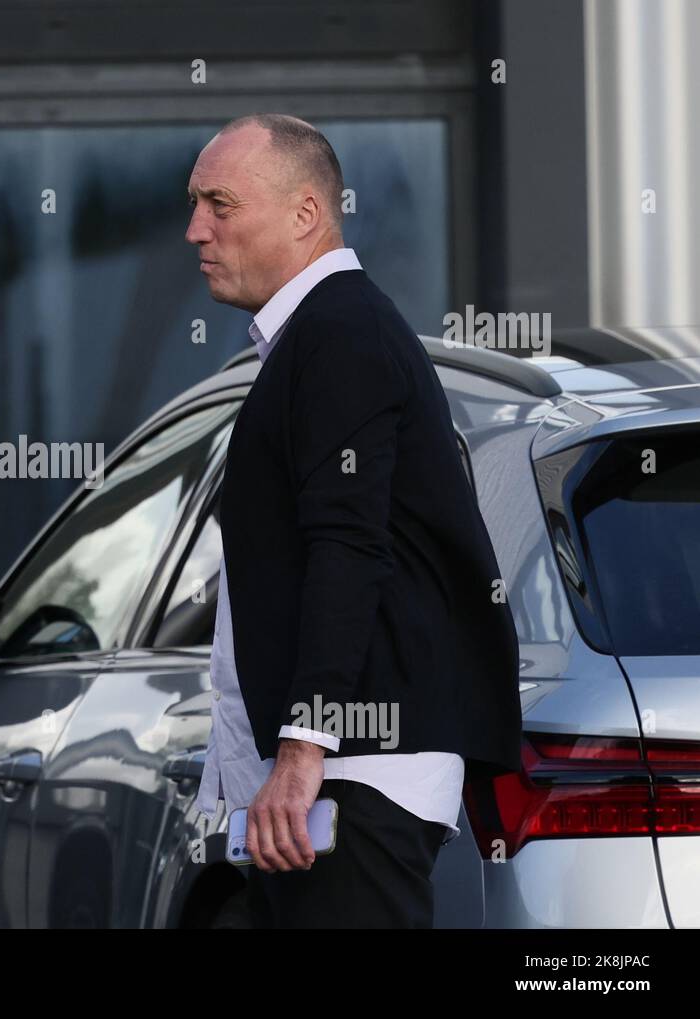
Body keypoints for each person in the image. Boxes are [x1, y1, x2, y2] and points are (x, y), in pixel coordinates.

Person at [185, 114, 521, 927]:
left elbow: (349, 543)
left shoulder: (340, 334)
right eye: (195, 204)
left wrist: (305, 749)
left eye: (220, 204)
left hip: (353, 781)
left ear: (305, 213)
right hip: (337, 781)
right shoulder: (326, 334)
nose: (196, 229)